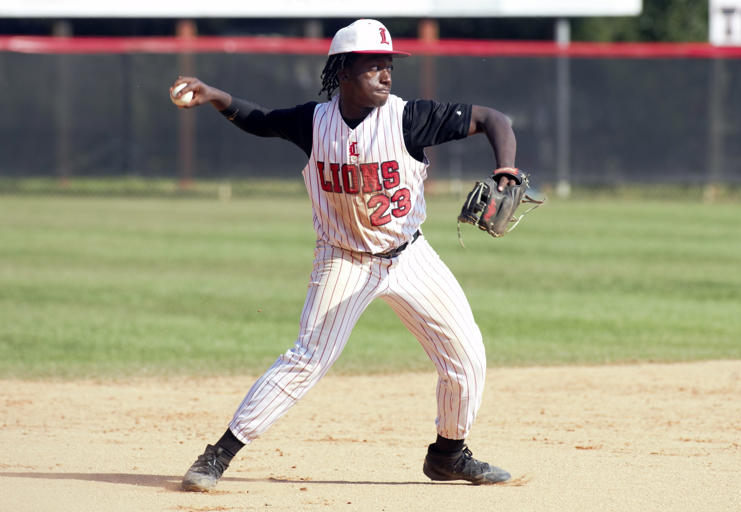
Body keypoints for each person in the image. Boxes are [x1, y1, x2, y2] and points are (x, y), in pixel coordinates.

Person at [171, 19, 521, 491]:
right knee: (307, 358)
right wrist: (215, 95)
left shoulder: (408, 117)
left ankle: (448, 455)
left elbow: (494, 119)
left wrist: (505, 168)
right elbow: (261, 121)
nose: (385, 74)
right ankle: (218, 455)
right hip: (343, 260)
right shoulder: (314, 123)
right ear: (342, 72)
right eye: (373, 65)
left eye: (388, 65)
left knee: (466, 356)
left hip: (409, 256)